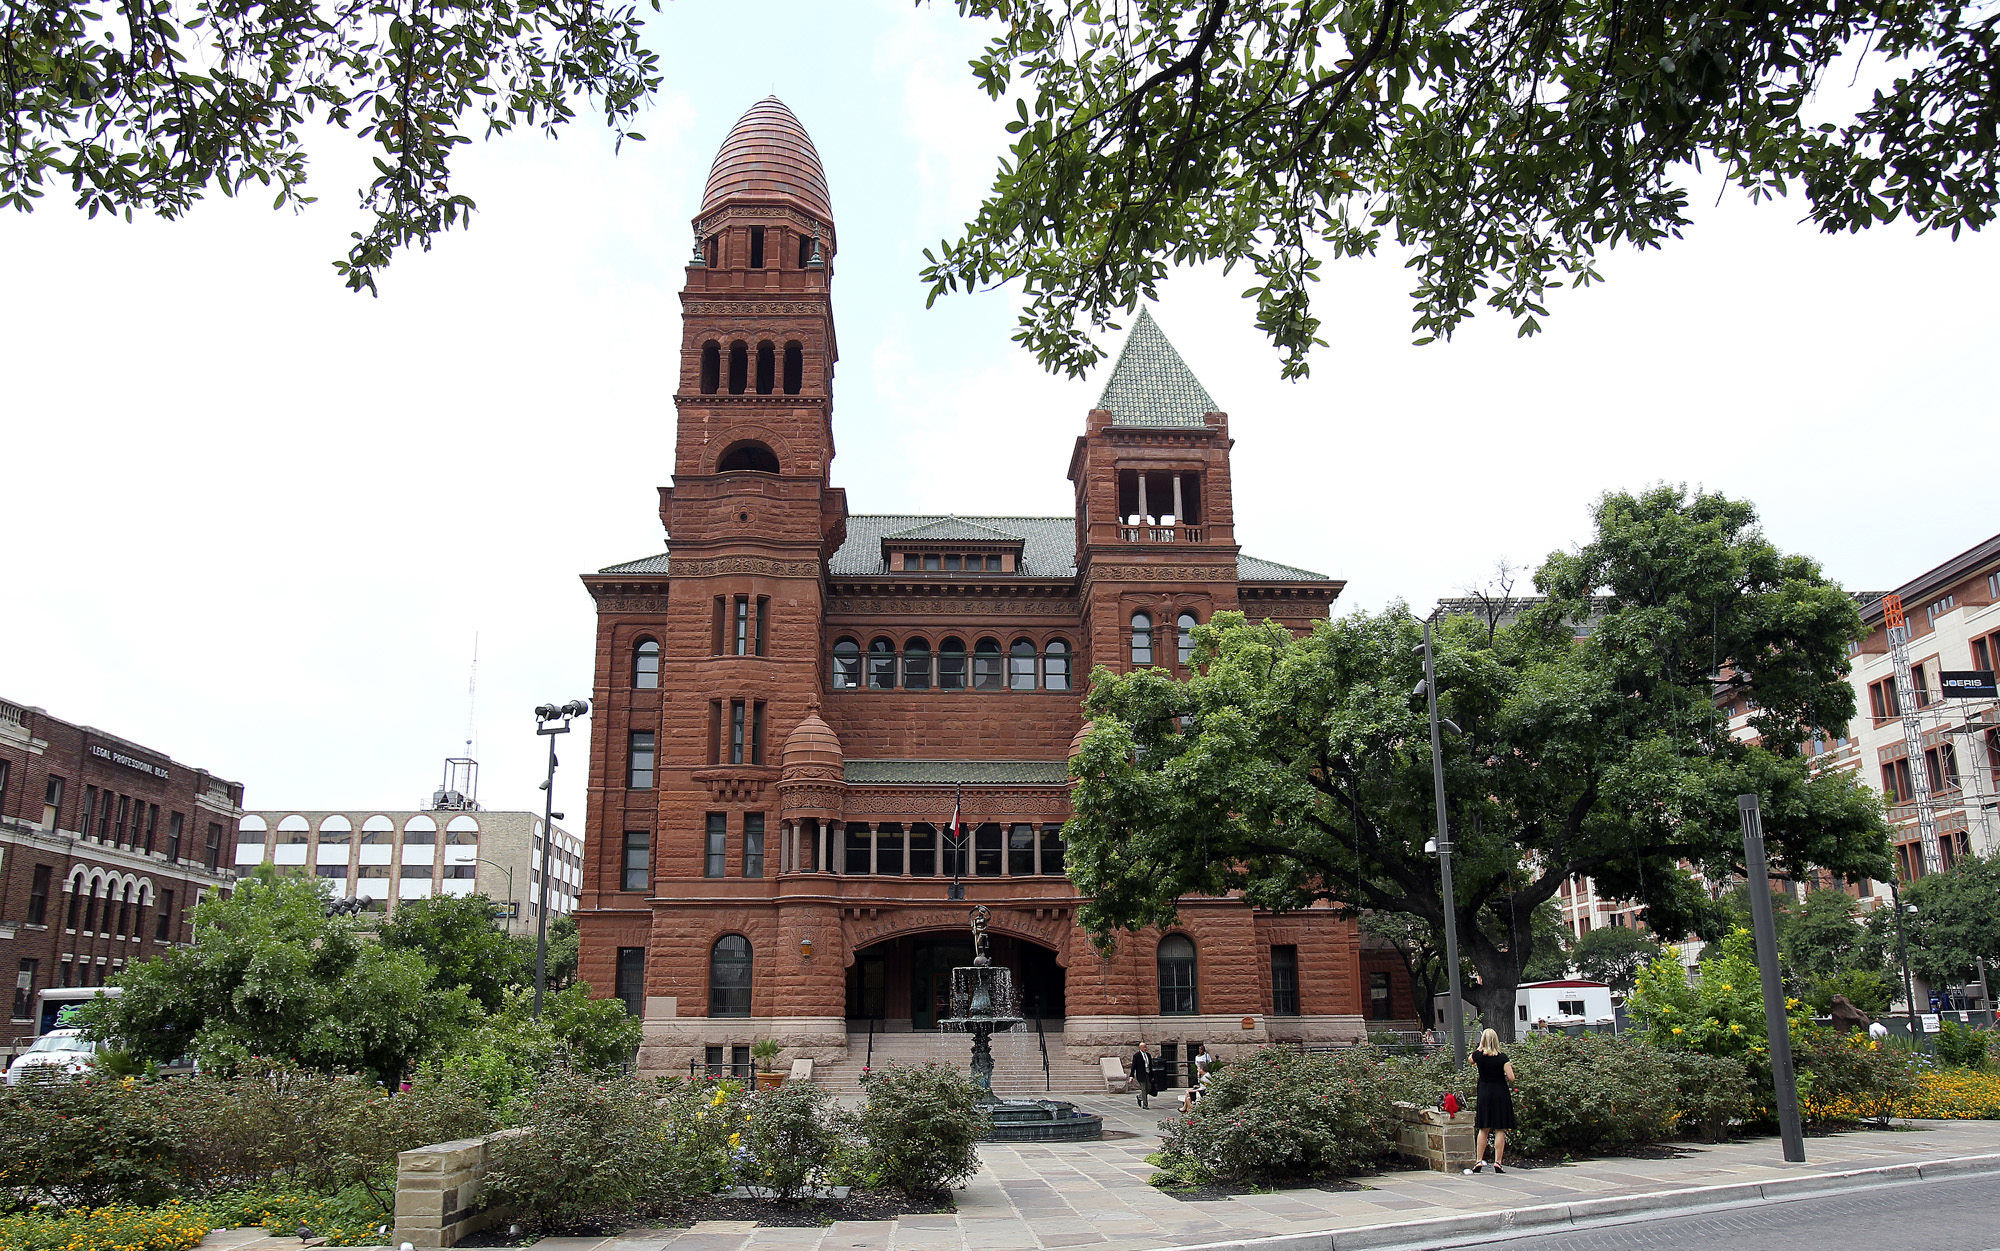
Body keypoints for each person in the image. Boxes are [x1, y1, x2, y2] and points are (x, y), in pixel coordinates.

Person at [1464, 1028, 1517, 1175]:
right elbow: (1511, 1077)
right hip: (1500, 1092)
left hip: (1484, 1093)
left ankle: (1479, 1160)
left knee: (1483, 1128)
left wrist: (1480, 1048)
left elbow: (1470, 1060)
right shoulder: (1502, 1057)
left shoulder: (1478, 1056)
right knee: (1500, 1128)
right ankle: (1498, 1162)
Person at [1130, 1042, 1154, 1108]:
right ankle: (1145, 1105)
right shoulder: (1137, 1056)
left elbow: (1151, 1066)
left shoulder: (1148, 1055)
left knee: (1148, 1088)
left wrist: (1152, 1076)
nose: (1145, 1048)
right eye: (1144, 1047)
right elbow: (1133, 1066)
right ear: (1140, 1048)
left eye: (1146, 1047)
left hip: (1148, 1074)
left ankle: (1140, 1097)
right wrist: (1131, 1076)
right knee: (1143, 1089)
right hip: (1141, 1075)